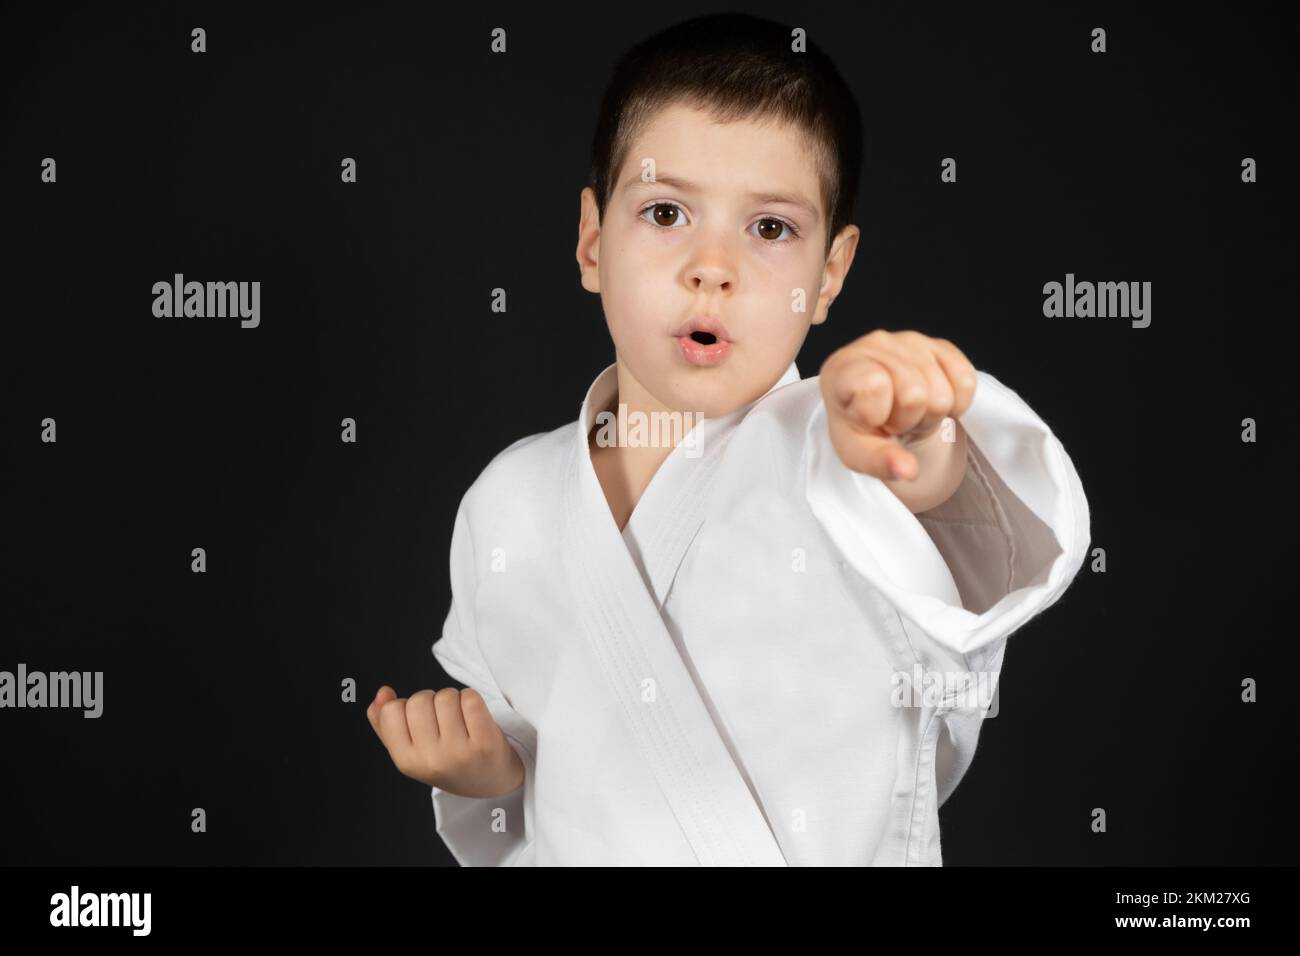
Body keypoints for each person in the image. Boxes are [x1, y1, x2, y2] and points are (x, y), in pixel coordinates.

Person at [366, 12, 1090, 865]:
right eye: (666, 212)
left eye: (770, 229)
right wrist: (488, 771)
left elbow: (944, 519)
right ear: (593, 240)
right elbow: (534, 762)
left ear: (830, 274)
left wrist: (914, 430)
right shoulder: (509, 502)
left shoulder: (840, 448)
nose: (713, 266)